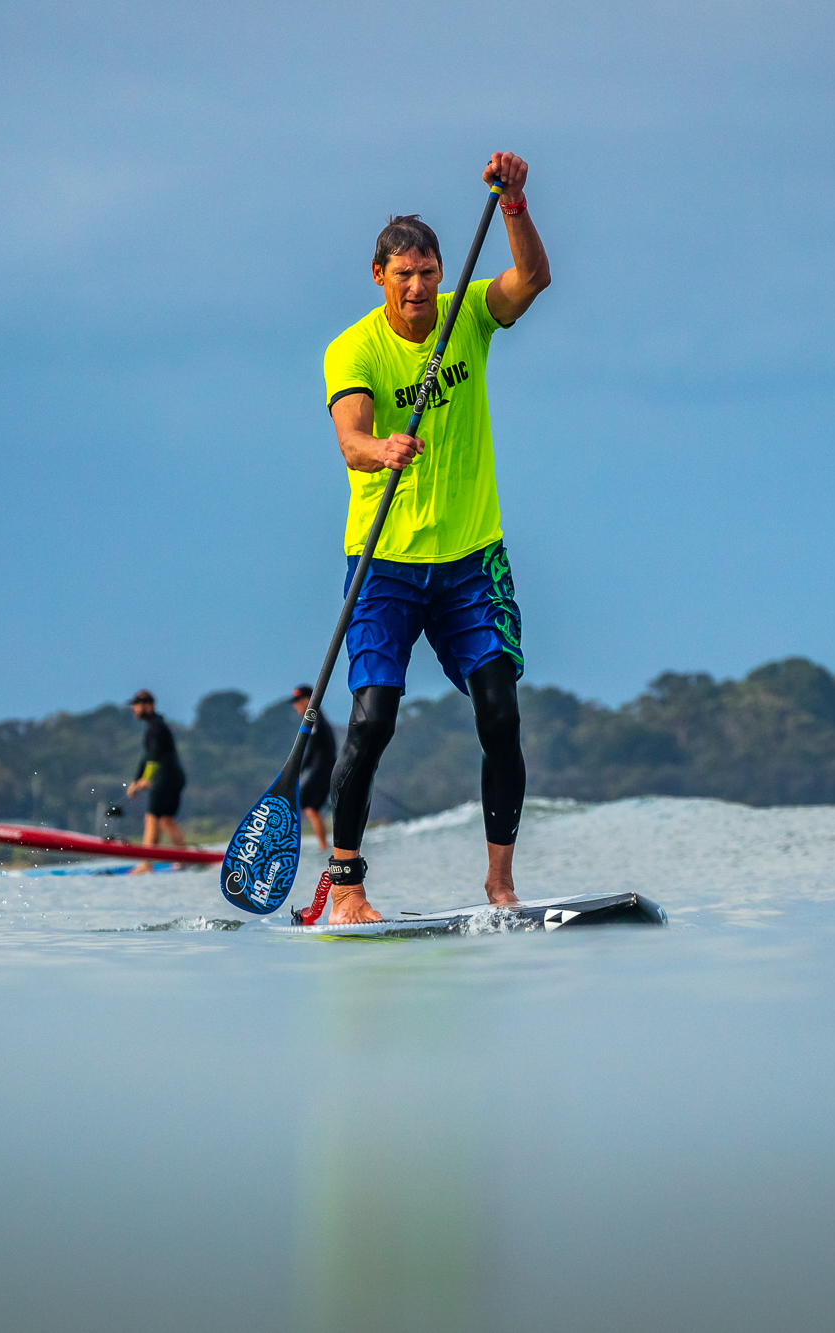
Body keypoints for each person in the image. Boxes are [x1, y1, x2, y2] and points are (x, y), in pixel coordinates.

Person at [318, 151, 550, 925]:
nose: (419, 289)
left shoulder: (468, 317)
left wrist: (514, 205)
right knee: (372, 719)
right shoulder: (353, 350)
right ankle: (346, 886)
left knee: (501, 714)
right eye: (403, 275)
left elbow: (531, 282)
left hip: (471, 560)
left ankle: (500, 883)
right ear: (378, 276)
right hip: (384, 564)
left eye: (429, 272)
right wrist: (380, 448)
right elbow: (351, 437)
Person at [123, 689, 186, 870]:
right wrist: (136, 780)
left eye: (136, 705)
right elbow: (147, 757)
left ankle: (146, 863)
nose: (134, 709)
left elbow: (155, 756)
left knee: (151, 818)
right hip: (172, 778)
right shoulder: (153, 726)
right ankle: (185, 858)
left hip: (166, 778)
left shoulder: (156, 727)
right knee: (165, 819)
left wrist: (147, 779)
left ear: (148, 706)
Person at [290, 684, 335, 853]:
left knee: (300, 806)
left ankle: (283, 847)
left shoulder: (315, 718)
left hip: (320, 771)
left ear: (308, 700)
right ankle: (323, 847)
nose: (296, 706)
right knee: (311, 808)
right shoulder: (318, 718)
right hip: (323, 770)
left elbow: (313, 749)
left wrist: (299, 769)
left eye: (298, 702)